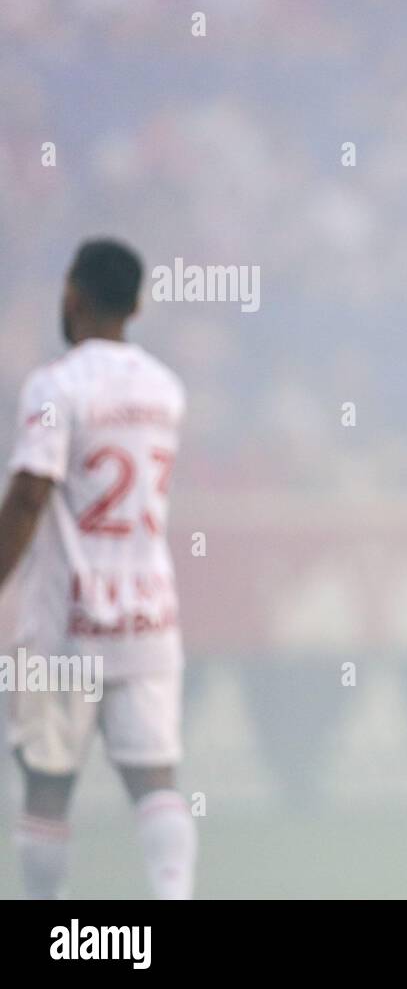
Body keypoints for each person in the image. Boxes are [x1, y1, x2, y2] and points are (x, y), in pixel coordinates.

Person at [0, 239, 195, 899]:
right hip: (147, 613)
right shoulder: (166, 390)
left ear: (72, 294)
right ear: (137, 304)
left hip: (66, 620)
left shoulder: (55, 387)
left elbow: (31, 493)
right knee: (155, 780)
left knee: (48, 784)